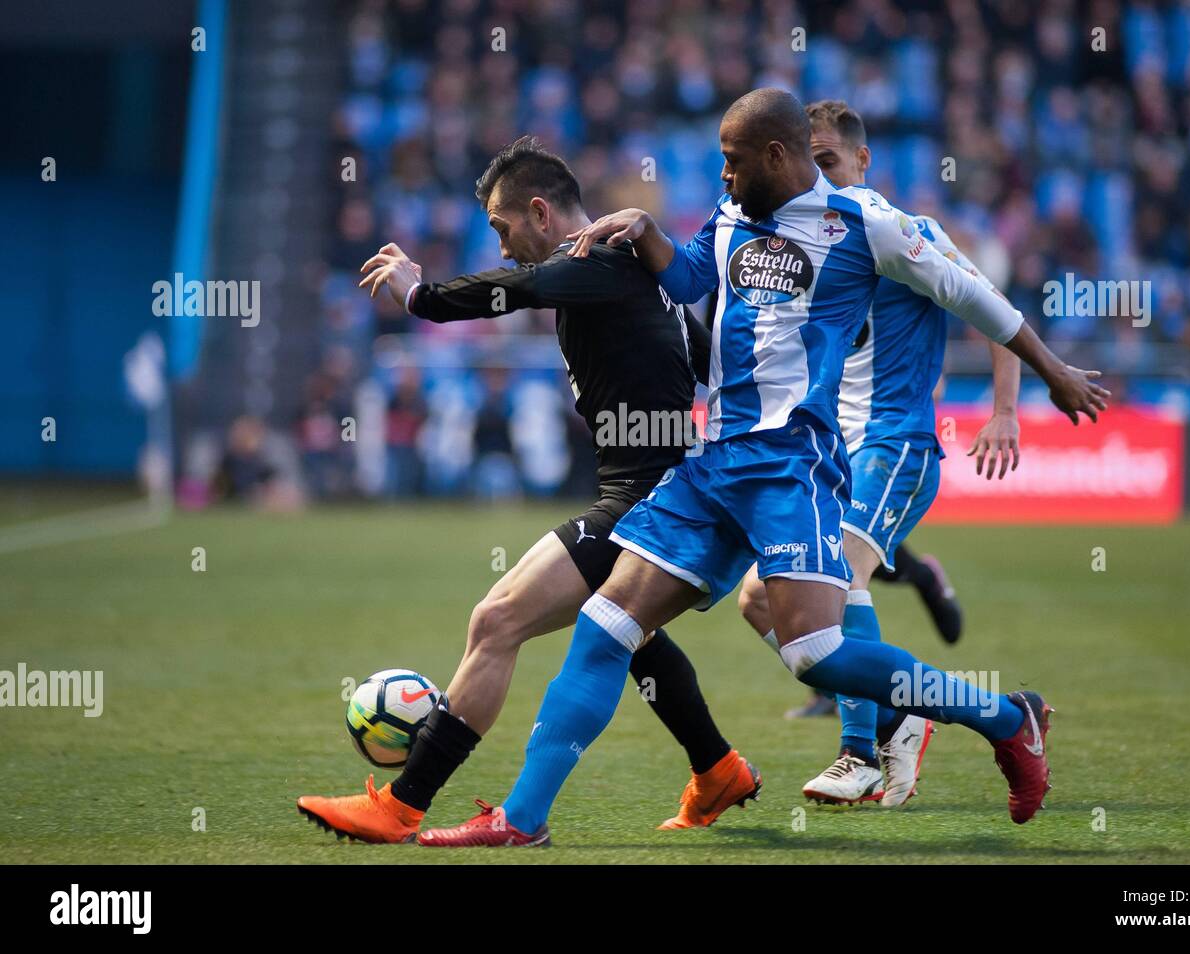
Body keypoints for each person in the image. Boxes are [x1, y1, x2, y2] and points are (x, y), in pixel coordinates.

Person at [417, 89, 1109, 848]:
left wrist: (1052, 371)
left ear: (777, 157)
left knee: (816, 654)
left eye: (732, 161)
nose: (722, 175)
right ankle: (522, 820)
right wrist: (647, 231)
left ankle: (1008, 718)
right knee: (606, 624)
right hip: (716, 464)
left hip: (793, 466)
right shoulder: (731, 221)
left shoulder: (865, 224)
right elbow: (686, 282)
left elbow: (970, 293)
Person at [297, 136, 758, 845]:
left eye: (502, 227)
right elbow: (705, 360)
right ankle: (717, 768)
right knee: (629, 634)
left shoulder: (595, 261)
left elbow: (513, 290)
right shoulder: (637, 268)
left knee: (497, 621)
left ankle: (402, 803)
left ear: (540, 213)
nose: (504, 244)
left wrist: (420, 294)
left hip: (647, 502)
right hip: (666, 491)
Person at [742, 100, 1024, 805]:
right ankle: (897, 713)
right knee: (756, 599)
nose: (818, 177)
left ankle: (858, 748)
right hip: (831, 454)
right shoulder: (808, 242)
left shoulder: (907, 233)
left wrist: (1007, 411)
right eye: (809, 163)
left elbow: (992, 308)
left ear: (863, 162)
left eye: (830, 161)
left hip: (894, 444)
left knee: (838, 581)